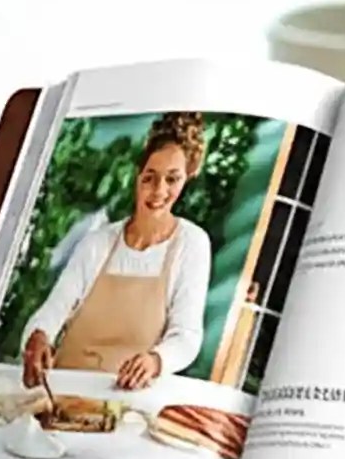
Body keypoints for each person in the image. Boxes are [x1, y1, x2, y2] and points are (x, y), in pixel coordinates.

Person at [21, 112, 212, 391]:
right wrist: (38, 336)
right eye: (150, 177)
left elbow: (187, 336)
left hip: (126, 397)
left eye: (172, 180)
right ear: (137, 175)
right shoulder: (98, 242)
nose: (158, 191)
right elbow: (54, 309)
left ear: (187, 178)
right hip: (65, 386)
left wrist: (157, 361)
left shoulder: (191, 244)